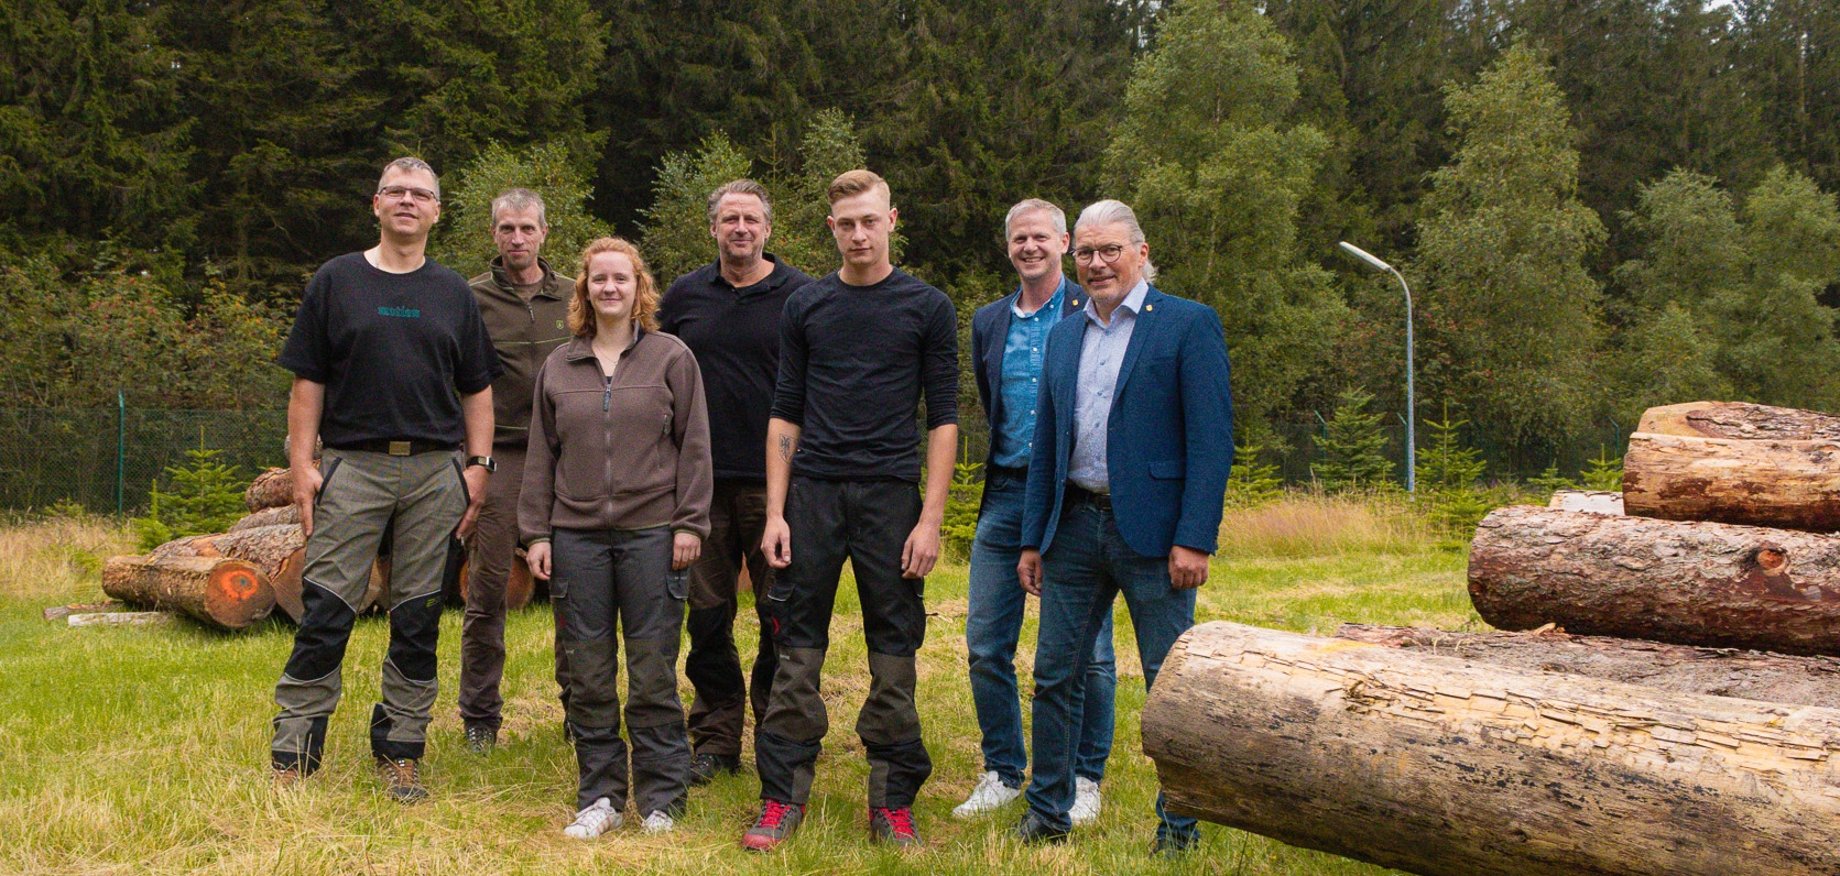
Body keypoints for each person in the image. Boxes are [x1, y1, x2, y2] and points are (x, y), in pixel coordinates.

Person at [269, 156, 500, 804]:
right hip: (354, 466)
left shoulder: (454, 292)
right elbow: (306, 383)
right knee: (326, 612)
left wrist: (478, 468)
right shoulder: (336, 281)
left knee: (419, 618)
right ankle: (294, 751)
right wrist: (302, 465)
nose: (406, 201)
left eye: (419, 193)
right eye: (395, 191)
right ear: (376, 204)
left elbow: (478, 389)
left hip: (435, 471)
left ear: (435, 210)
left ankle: (400, 751)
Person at [742, 169, 958, 851]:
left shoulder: (927, 307)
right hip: (811, 495)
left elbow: (945, 420)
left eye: (869, 220)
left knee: (894, 647)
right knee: (793, 645)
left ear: (891, 219)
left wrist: (930, 519)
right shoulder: (806, 306)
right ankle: (782, 797)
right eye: (845, 223)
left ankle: (892, 801)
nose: (858, 234)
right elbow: (786, 409)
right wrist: (775, 513)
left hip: (891, 496)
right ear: (830, 228)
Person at [1013, 199, 1233, 855]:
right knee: (1056, 675)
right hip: (1073, 526)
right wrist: (1033, 536)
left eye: (1110, 250)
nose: (1097, 263)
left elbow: (1212, 439)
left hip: (1157, 536)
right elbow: (1047, 444)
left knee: (1170, 684)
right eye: (1085, 252)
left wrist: (1195, 536)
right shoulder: (1065, 333)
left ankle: (1179, 828)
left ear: (1139, 253)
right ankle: (1047, 812)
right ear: (1072, 258)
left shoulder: (1188, 326)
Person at [521, 236, 713, 838]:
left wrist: (690, 522)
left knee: (653, 669)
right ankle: (600, 796)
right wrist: (536, 533)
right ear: (584, 289)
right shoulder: (560, 364)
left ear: (638, 289)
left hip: (654, 533)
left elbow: (696, 447)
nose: (609, 288)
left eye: (621, 279)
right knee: (587, 671)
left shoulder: (671, 358)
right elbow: (539, 456)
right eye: (598, 279)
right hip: (575, 536)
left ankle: (662, 795)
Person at [956, 199, 1117, 823]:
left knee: (1089, 651)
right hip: (1004, 493)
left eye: (1041, 237)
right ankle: (1002, 768)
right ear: (1009, 248)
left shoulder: (1091, 308)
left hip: (1073, 498)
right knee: (985, 644)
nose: (1030, 247)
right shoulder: (989, 321)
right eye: (1019, 238)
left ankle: (1084, 776)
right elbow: (988, 395)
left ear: (1064, 242)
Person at [659, 179, 813, 784]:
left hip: (779, 486)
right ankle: (716, 738)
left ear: (768, 228)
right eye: (730, 219)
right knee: (706, 615)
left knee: (782, 613)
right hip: (700, 484)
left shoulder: (801, 295)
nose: (741, 228)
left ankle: (778, 731)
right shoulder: (685, 296)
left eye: (751, 218)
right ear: (714, 229)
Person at [461, 188, 574, 753]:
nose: (517, 239)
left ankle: (581, 709)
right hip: (501, 456)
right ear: (494, 235)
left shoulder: (574, 298)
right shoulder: (469, 299)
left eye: (527, 228)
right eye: (507, 229)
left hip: (568, 459)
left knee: (577, 593)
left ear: (544, 233)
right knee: (487, 593)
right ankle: (480, 717)